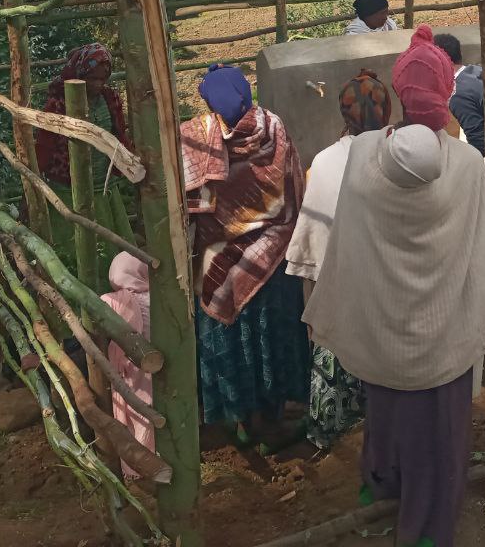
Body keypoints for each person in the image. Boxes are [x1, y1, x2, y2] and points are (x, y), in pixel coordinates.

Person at [304, 26, 485, 547]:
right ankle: (428, 527)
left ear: (399, 93)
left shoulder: (363, 156)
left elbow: (349, 241)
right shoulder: (467, 166)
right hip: (445, 336)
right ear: (447, 91)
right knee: (442, 433)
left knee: (386, 414)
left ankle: (380, 489)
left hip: (384, 331)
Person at [180, 65, 311, 445]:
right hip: (271, 257)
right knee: (272, 338)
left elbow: (188, 203)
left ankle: (238, 420)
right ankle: (271, 422)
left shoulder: (196, 137)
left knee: (234, 342)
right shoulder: (273, 128)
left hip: (219, 261)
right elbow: (294, 187)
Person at [285, 69, 392, 450]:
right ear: (387, 110)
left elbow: (313, 242)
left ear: (343, 113)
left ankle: (331, 437)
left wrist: (315, 305)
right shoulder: (397, 154)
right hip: (390, 294)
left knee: (336, 363)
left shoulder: (325, 161)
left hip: (339, 291)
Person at [35, 43, 135, 288]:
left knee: (113, 246)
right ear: (79, 74)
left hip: (103, 184)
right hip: (68, 188)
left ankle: (115, 292)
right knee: (78, 249)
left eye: (102, 79)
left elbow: (119, 133)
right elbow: (44, 147)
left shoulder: (108, 99)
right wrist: (35, 176)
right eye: (92, 79)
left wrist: (129, 161)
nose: (98, 84)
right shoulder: (58, 105)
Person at [99, 252, 153, 478]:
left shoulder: (111, 301)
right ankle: (160, 456)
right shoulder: (157, 298)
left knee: (133, 412)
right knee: (152, 410)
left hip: (129, 368)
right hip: (156, 365)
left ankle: (137, 466)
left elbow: (94, 320)